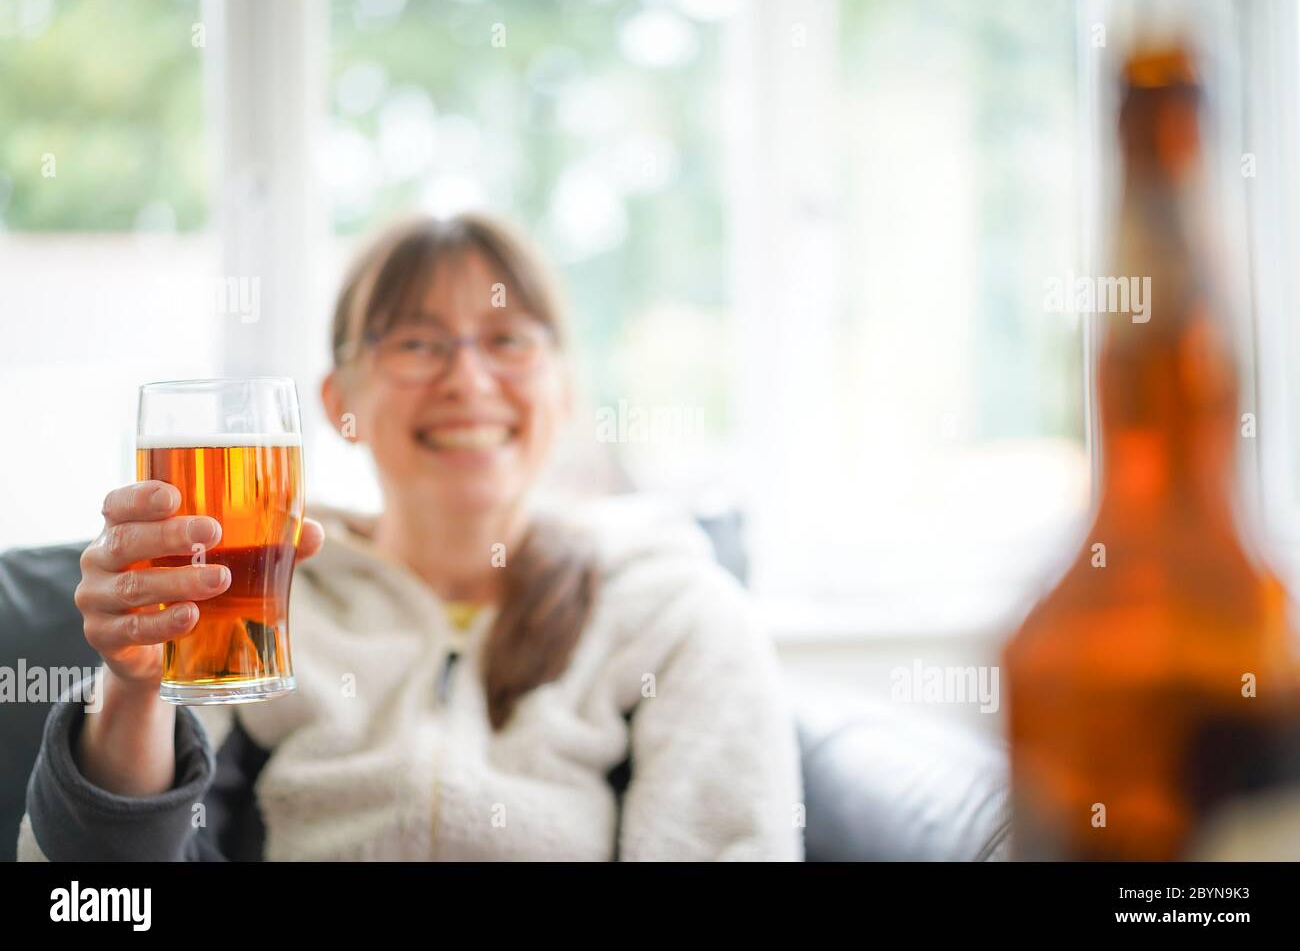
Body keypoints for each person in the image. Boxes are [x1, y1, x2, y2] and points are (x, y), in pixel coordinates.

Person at [18, 212, 804, 861]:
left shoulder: (674, 609)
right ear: (337, 403)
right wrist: (132, 688)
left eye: (508, 340)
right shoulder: (256, 589)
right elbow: (101, 896)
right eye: (418, 344)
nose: (467, 380)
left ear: (564, 391)